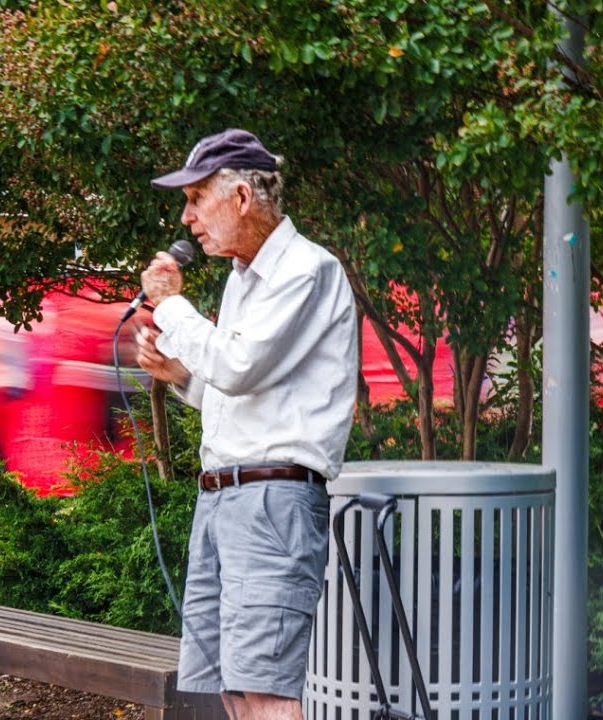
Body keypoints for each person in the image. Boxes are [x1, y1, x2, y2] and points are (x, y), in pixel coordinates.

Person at [134, 128, 358, 720]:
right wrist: (178, 373)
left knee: (264, 690)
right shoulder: (243, 281)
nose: (186, 218)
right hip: (225, 498)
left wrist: (172, 306)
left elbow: (239, 365)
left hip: (271, 500)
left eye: (195, 198)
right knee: (235, 689)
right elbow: (237, 390)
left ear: (239, 198)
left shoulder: (308, 270)